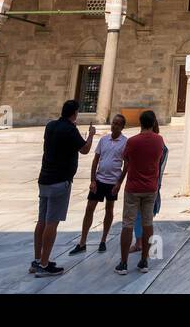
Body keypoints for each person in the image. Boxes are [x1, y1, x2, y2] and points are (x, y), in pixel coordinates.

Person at [32, 99, 94, 277]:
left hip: (44, 178)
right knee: (52, 222)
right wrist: (90, 134)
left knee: (42, 220)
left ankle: (37, 260)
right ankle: (44, 264)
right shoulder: (70, 129)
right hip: (59, 181)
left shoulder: (50, 126)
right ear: (74, 113)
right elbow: (84, 150)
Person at [114, 110, 165, 275]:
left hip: (133, 188)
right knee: (148, 223)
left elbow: (126, 160)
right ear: (154, 122)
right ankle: (144, 261)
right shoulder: (159, 141)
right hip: (151, 188)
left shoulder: (132, 141)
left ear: (140, 122)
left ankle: (123, 263)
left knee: (127, 224)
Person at [70, 113, 127, 254]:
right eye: (113, 123)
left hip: (113, 181)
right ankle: (82, 241)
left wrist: (119, 182)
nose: (114, 126)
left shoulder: (125, 142)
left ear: (122, 127)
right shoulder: (104, 140)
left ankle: (103, 240)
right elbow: (96, 159)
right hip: (99, 180)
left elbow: (127, 163)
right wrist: (92, 180)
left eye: (118, 124)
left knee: (109, 209)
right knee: (89, 208)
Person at [129, 140, 168, 253]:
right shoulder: (159, 144)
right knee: (145, 216)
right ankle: (143, 245)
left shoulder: (143, 142)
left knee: (140, 216)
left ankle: (140, 244)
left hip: (143, 185)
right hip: (151, 184)